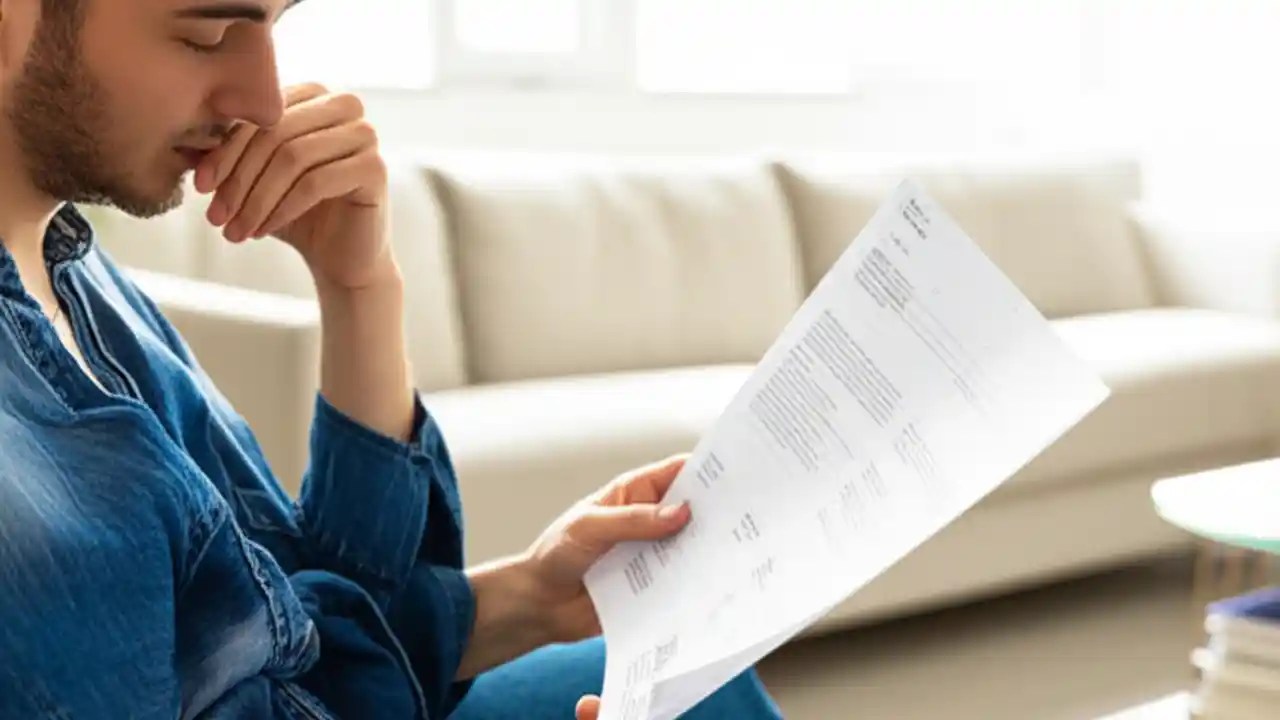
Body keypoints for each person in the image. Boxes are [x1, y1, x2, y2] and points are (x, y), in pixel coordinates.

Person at [0, 1, 785, 718]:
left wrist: (359, 286)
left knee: (704, 684)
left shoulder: (78, 276)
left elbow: (297, 629)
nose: (265, 101)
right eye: (205, 35)